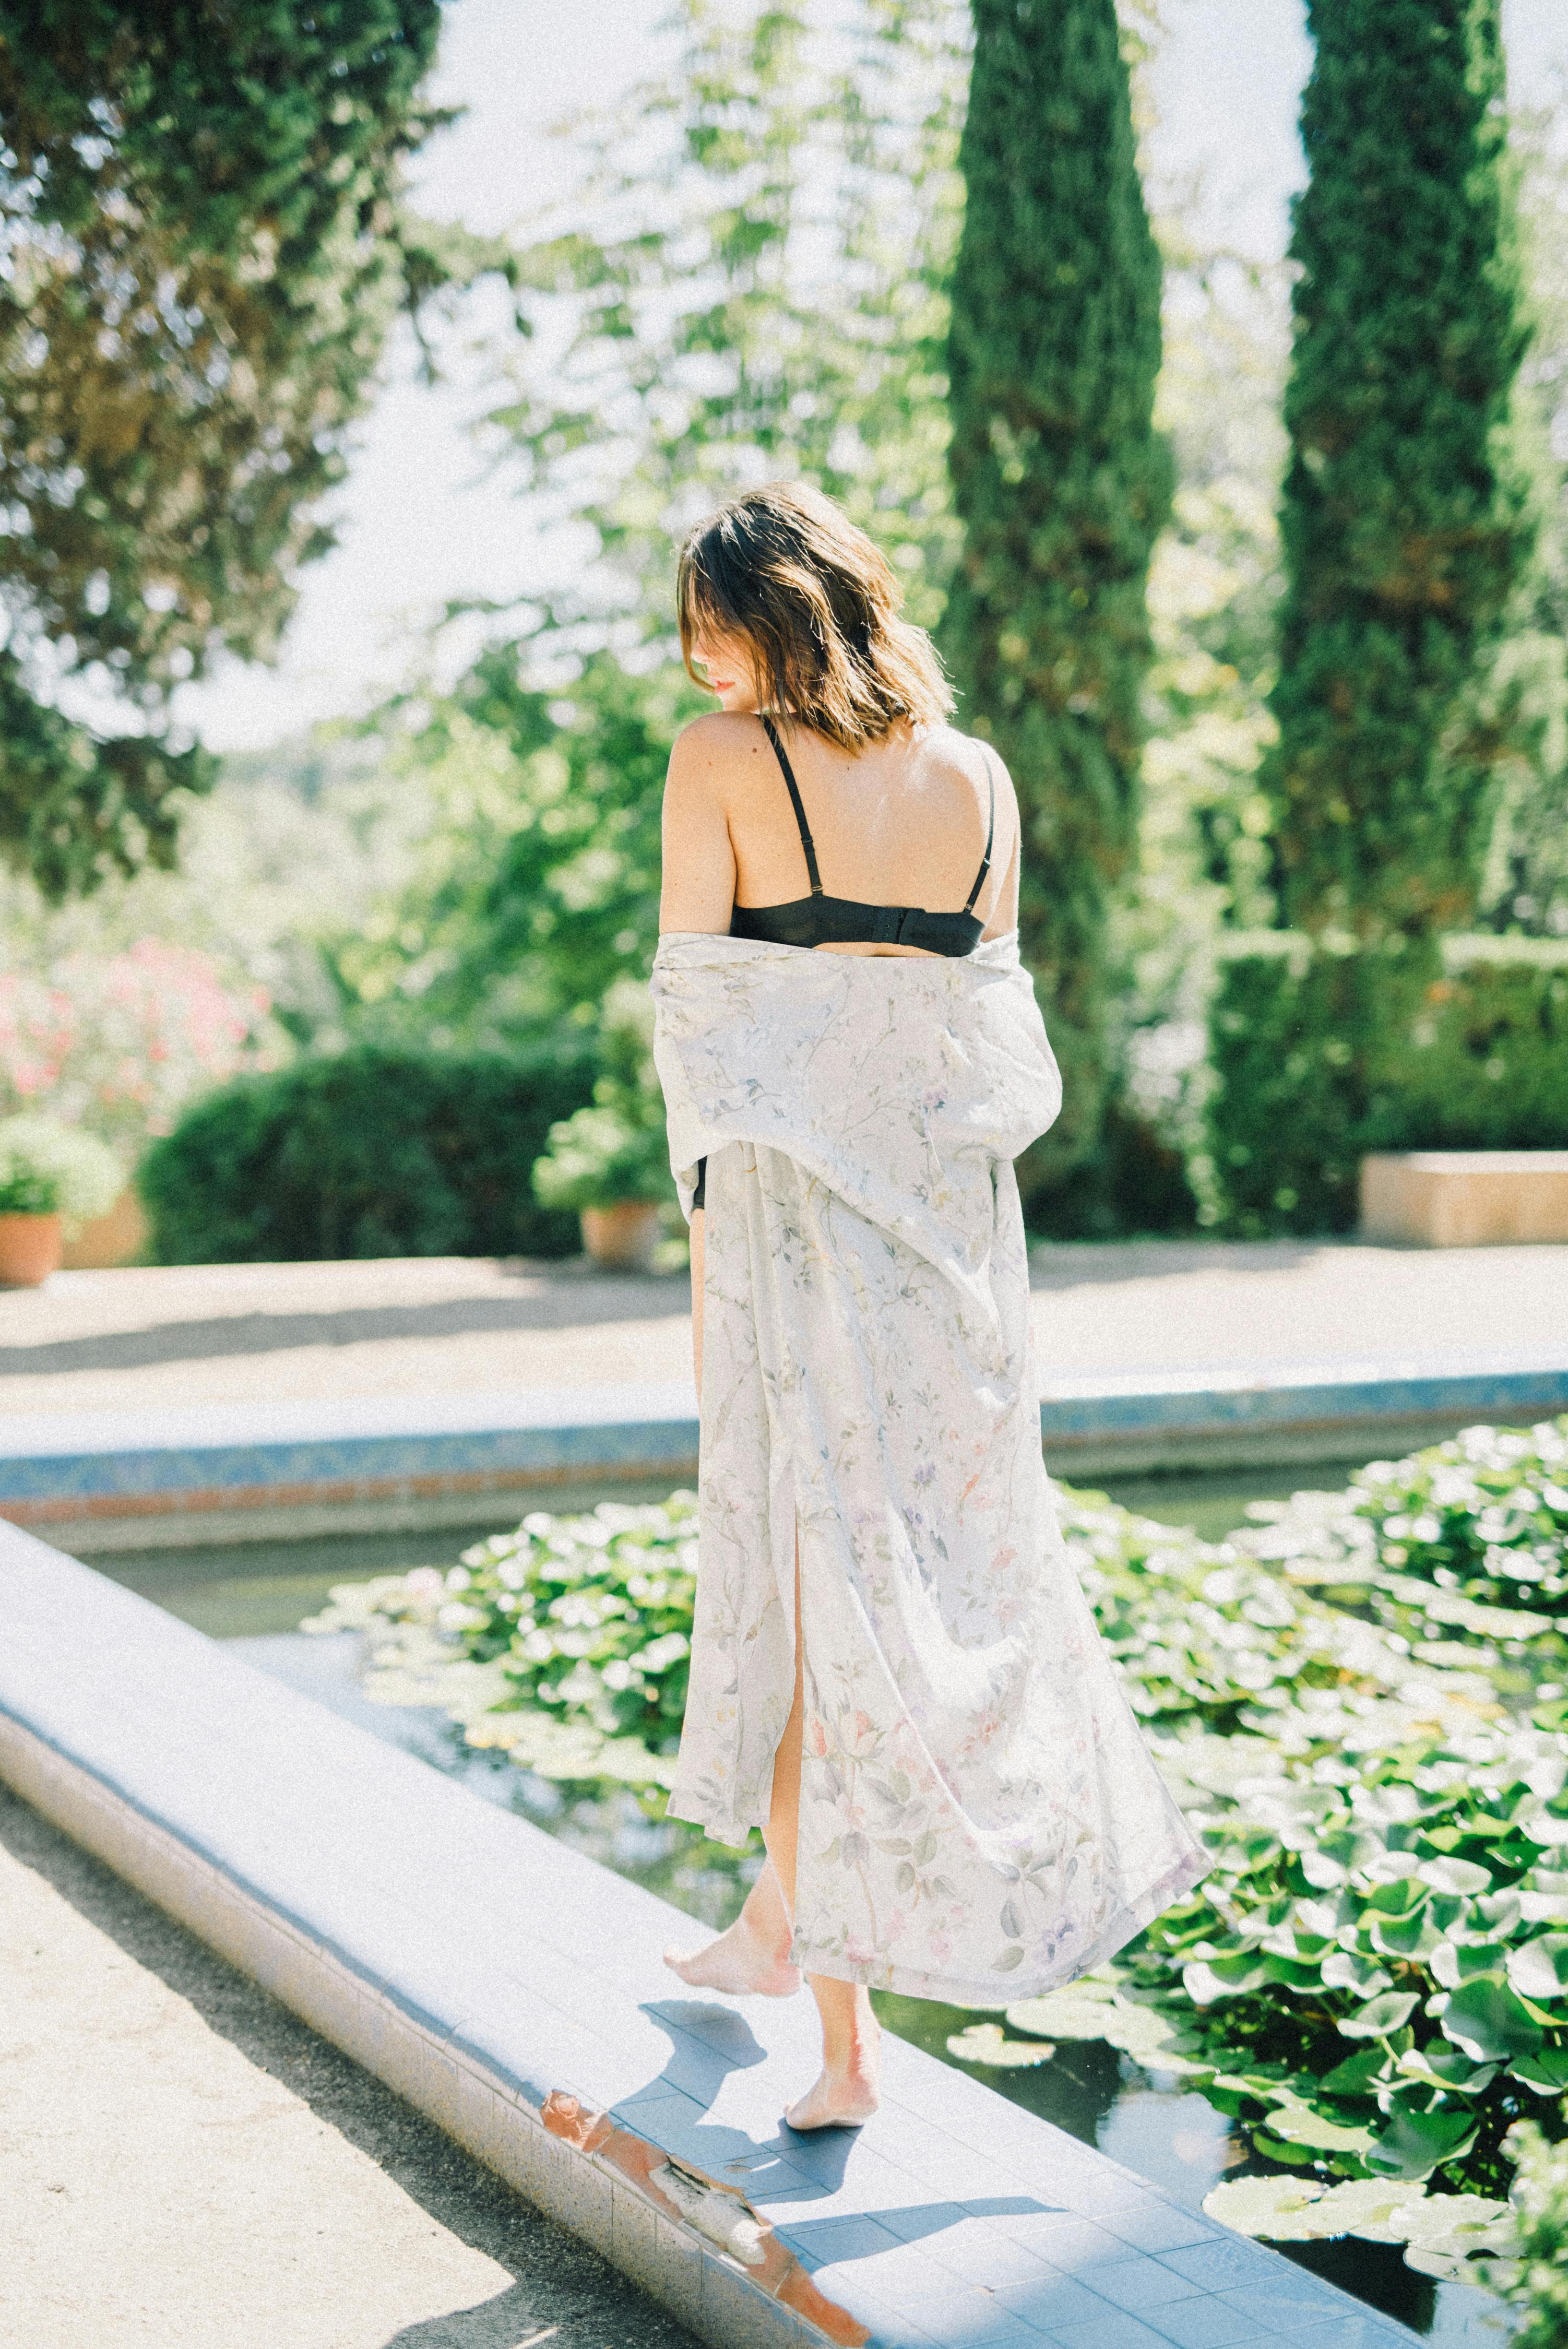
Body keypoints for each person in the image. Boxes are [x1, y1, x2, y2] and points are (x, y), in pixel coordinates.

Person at [650, 482, 1206, 2133]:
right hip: (955, 1251)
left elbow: (704, 1031)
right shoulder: (977, 776)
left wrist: (707, 1266)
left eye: (705, 631)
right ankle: (777, 1925)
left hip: (795, 1247)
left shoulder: (720, 765)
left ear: (758, 618)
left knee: (807, 1603)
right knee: (960, 1591)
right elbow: (995, 1047)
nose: (697, 668)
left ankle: (847, 2048)